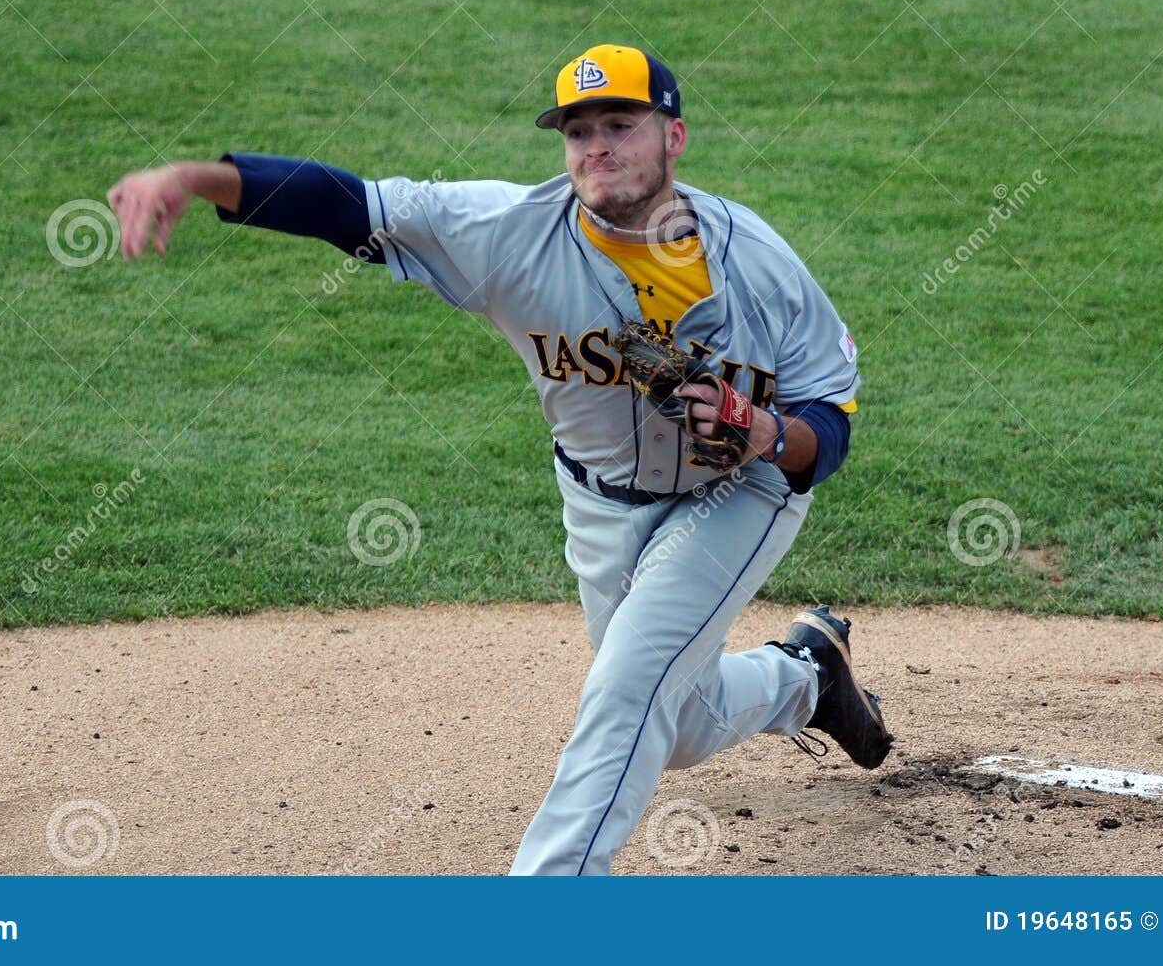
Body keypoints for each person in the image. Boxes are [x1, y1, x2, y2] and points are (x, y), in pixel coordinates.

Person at [106, 43, 893, 876]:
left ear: (676, 137)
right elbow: (347, 204)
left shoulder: (758, 263)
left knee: (628, 686)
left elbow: (830, 416)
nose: (598, 146)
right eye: (579, 130)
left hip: (736, 494)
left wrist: (769, 432)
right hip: (597, 500)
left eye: (621, 124)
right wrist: (193, 178)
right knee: (680, 722)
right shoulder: (507, 233)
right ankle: (806, 676)